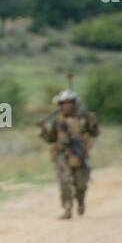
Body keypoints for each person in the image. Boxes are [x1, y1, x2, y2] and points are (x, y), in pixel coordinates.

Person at [38, 89, 99, 219]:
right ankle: (67, 208)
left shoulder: (84, 118)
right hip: (62, 154)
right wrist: (43, 130)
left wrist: (93, 123)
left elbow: (94, 133)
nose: (65, 106)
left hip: (79, 154)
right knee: (64, 180)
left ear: (74, 104)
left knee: (81, 183)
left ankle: (80, 201)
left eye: (68, 103)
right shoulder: (57, 120)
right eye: (62, 103)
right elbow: (51, 138)